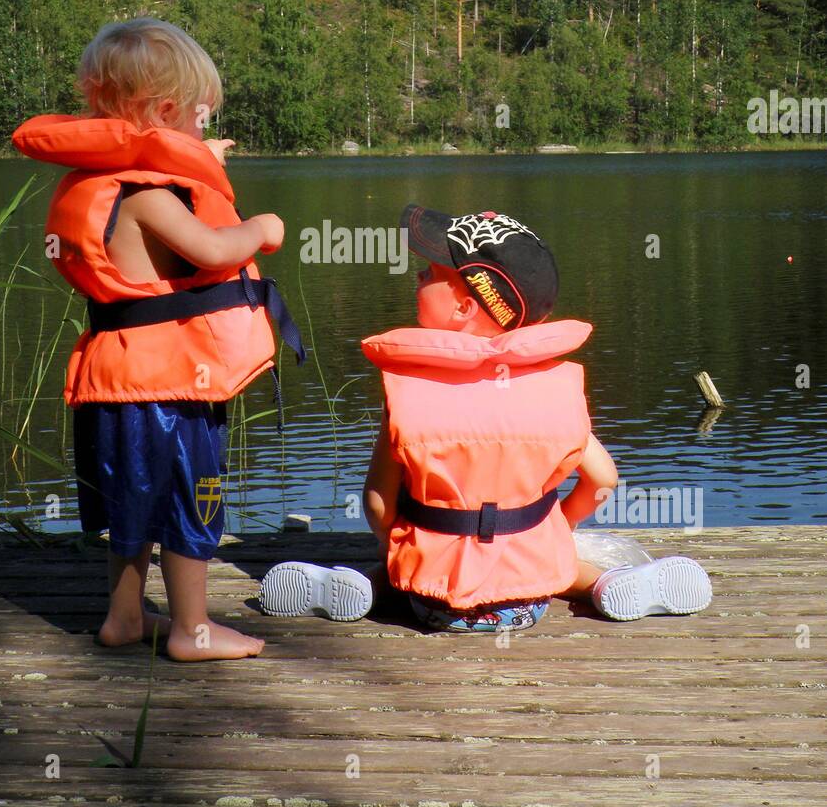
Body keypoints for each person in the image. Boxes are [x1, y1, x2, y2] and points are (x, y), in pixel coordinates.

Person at [259, 205, 711, 632]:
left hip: (431, 601)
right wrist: (559, 527)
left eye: (432, 272)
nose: (417, 274)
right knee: (552, 554)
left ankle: (366, 586)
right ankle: (605, 585)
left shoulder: (410, 391)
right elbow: (604, 480)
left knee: (409, 555)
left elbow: (378, 505)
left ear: (464, 307)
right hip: (528, 599)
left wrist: (393, 539)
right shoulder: (551, 388)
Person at [12, 17, 304, 659]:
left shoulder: (97, 185)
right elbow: (211, 246)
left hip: (113, 383)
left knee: (129, 504)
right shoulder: (149, 196)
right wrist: (259, 227)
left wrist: (202, 162)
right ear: (167, 111)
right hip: (170, 390)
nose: (201, 135)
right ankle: (191, 629)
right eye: (200, 121)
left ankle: (123, 617)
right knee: (188, 502)